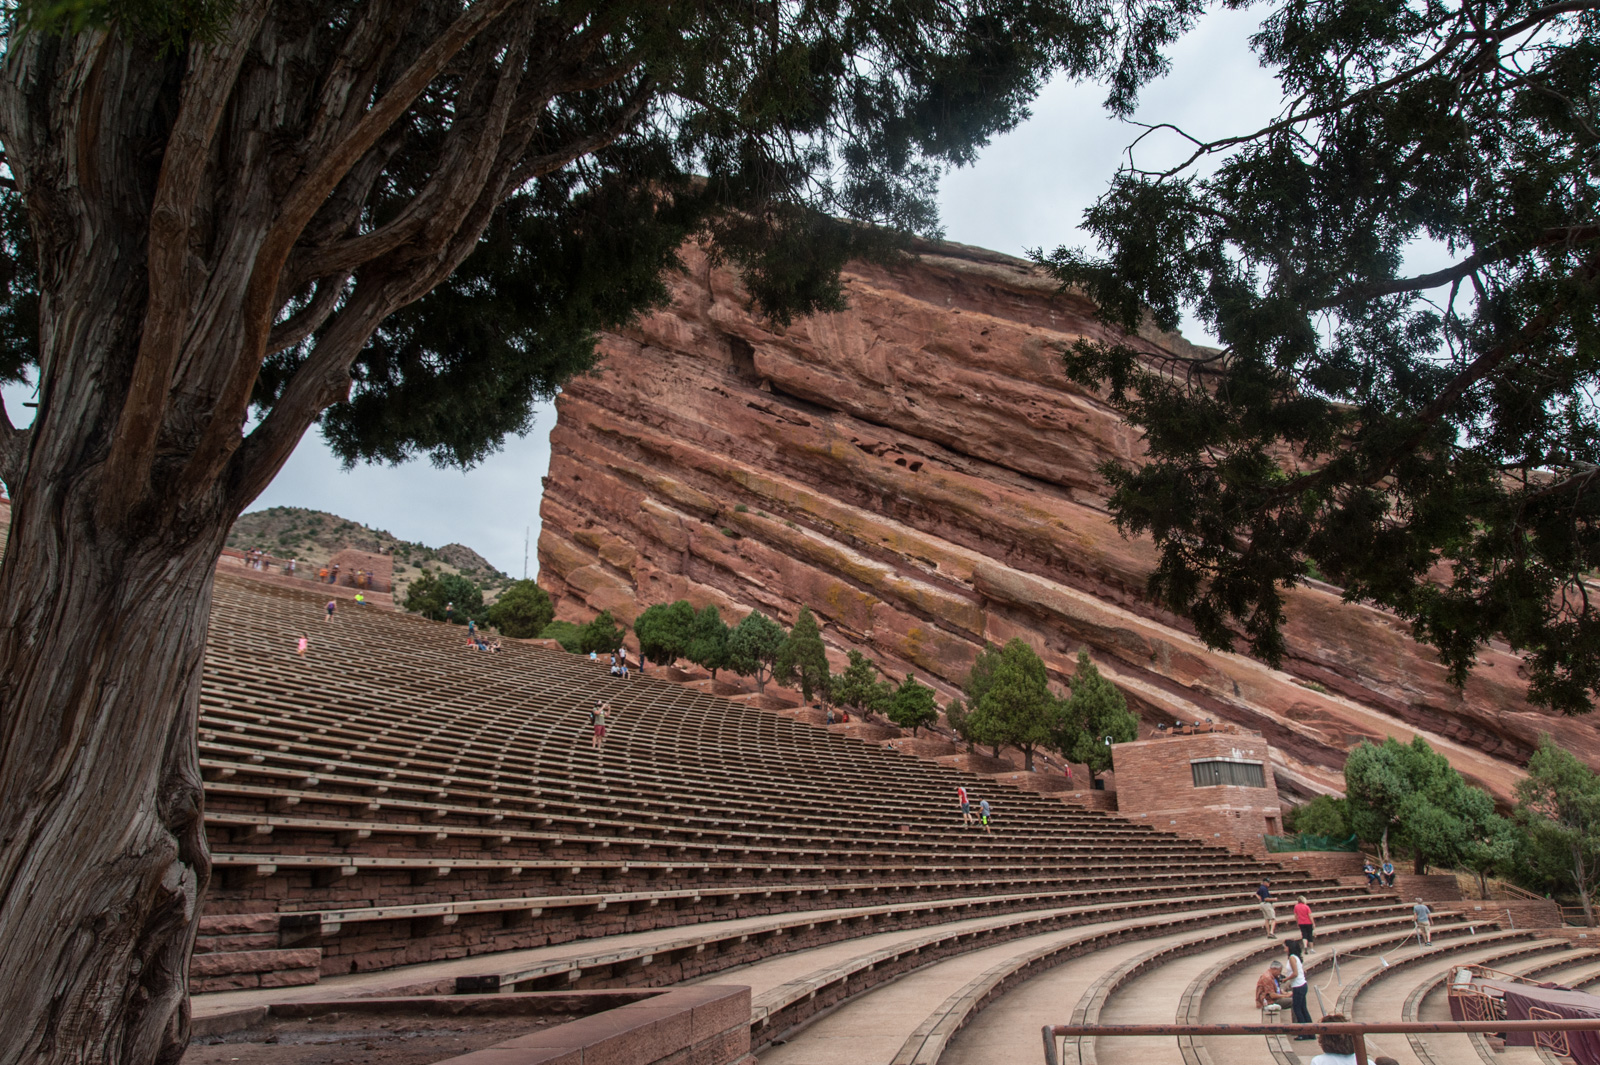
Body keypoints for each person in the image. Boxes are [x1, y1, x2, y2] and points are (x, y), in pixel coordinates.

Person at [1284, 939, 1312, 1037]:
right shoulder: (1295, 957)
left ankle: (1303, 1033)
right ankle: (1311, 1032)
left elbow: (1295, 973)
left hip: (1298, 986)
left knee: (1298, 1009)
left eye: (1285, 946)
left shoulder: (1292, 958)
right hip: (1302, 985)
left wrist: (1285, 979)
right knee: (1303, 1008)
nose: (1284, 948)